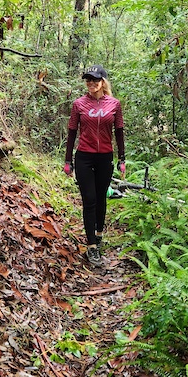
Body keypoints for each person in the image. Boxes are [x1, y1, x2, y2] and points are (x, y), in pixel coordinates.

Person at [64, 64, 125, 266]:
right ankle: (91, 246)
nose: (91, 83)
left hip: (105, 157)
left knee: (101, 199)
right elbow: (72, 132)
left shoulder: (114, 104)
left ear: (103, 82)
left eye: (95, 80)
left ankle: (99, 233)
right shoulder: (78, 104)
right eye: (88, 80)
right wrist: (67, 161)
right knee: (89, 199)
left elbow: (119, 132)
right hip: (84, 157)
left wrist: (122, 159)